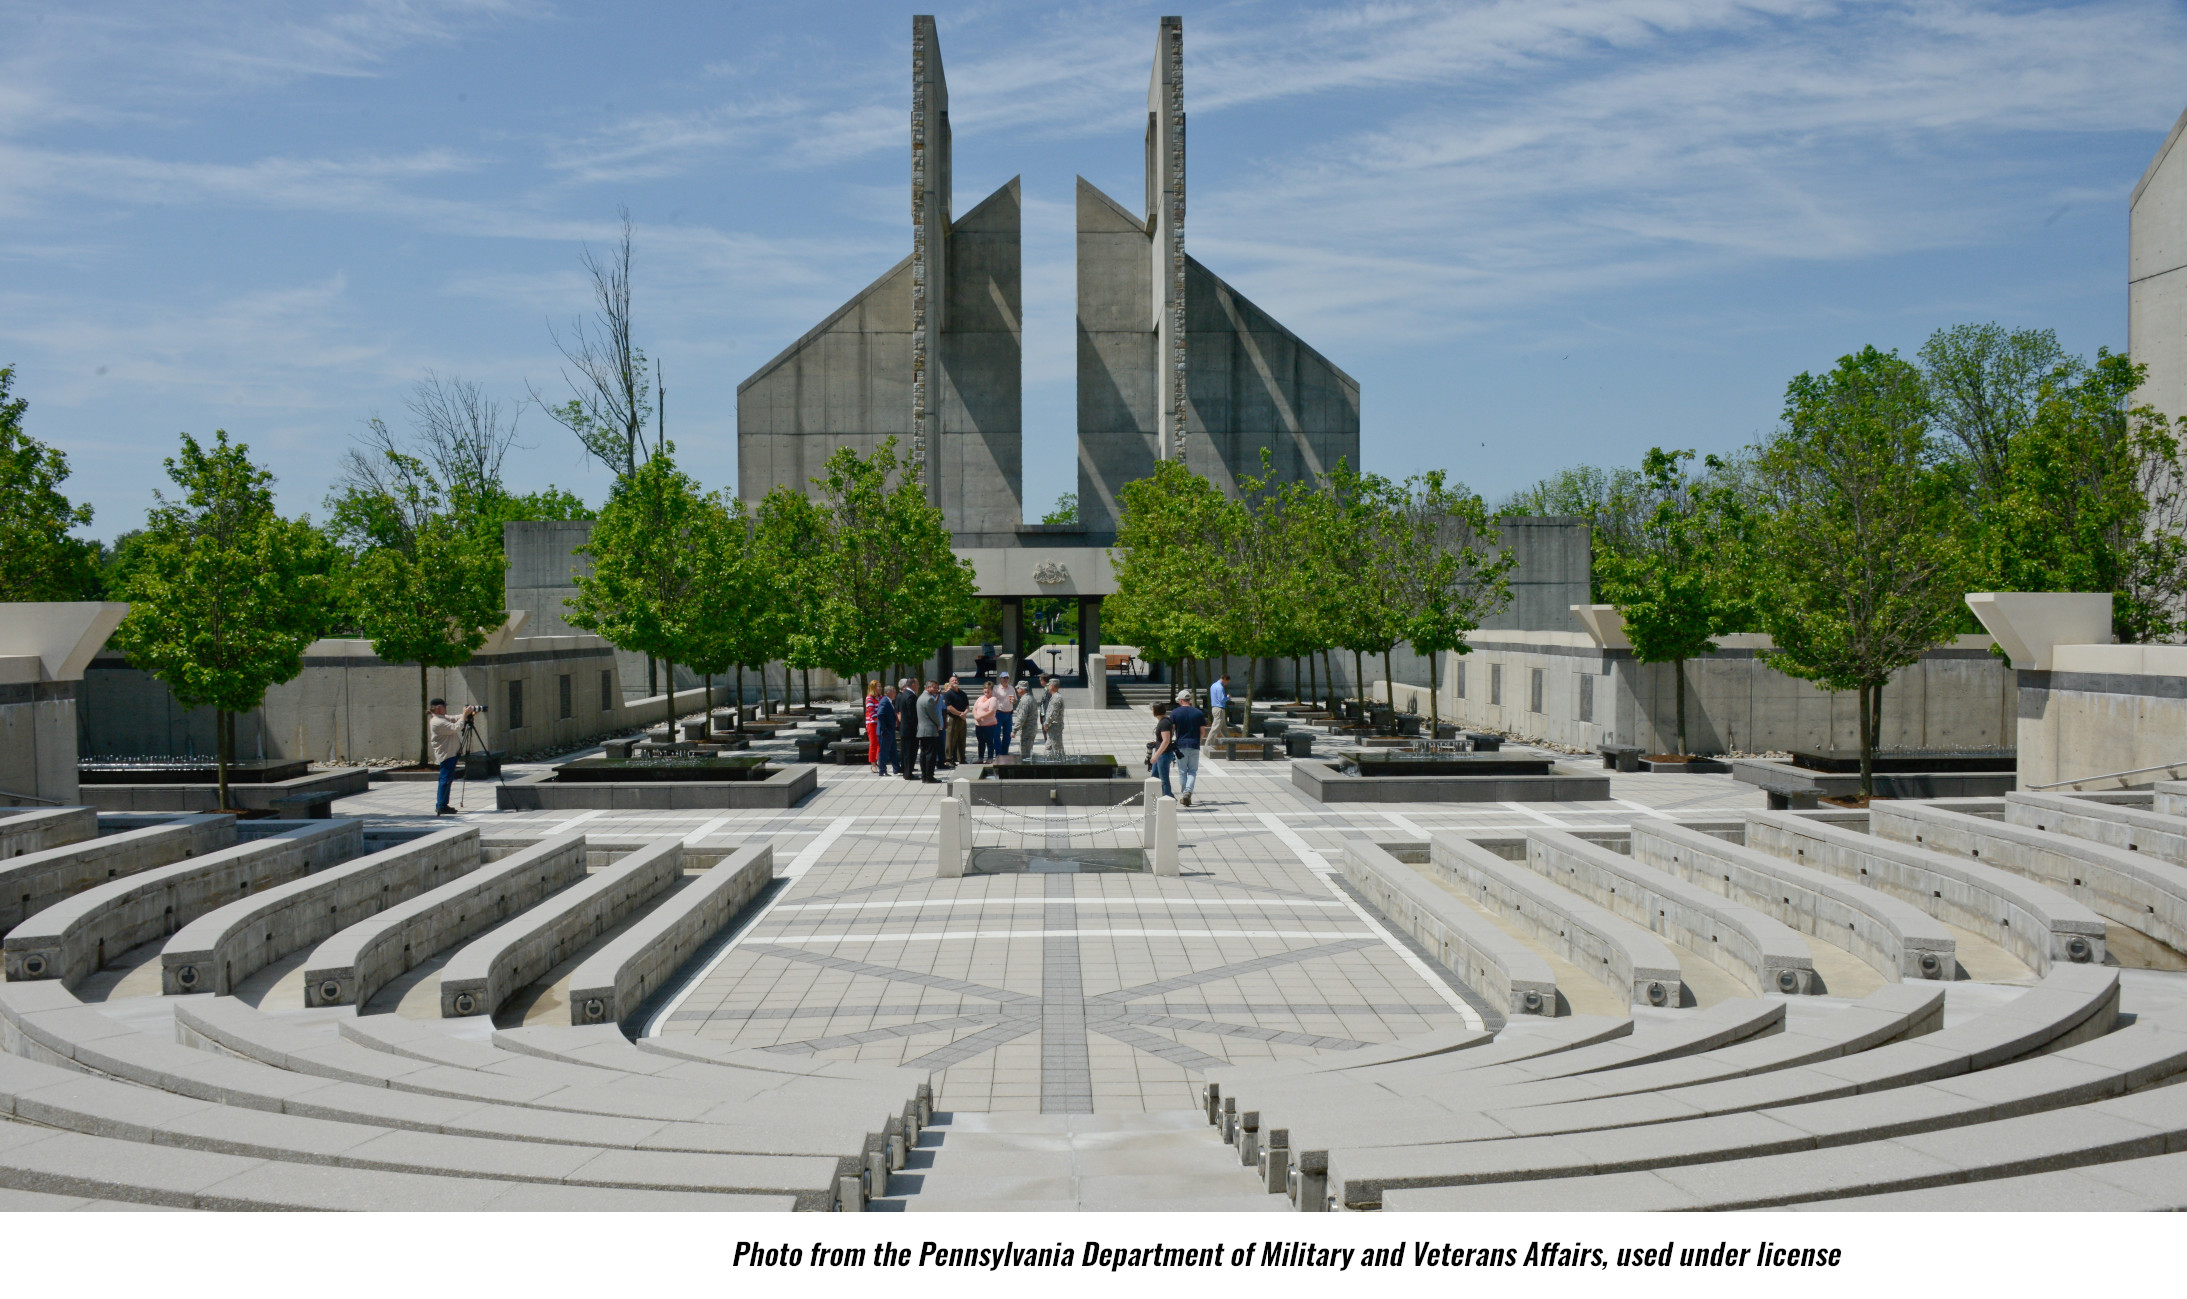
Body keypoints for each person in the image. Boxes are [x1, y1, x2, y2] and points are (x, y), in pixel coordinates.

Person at [426, 697, 478, 817]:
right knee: (445, 780)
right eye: (444, 706)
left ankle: (443, 804)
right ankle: (441, 806)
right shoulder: (437, 722)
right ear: (438, 708)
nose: (446, 708)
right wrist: (465, 716)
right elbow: (455, 728)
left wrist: (468, 714)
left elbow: (454, 718)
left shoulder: (441, 718)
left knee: (447, 779)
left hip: (450, 753)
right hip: (446, 754)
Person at [1168, 689, 1206, 807]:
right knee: (1193, 771)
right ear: (1189, 700)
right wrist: (1198, 742)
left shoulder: (1175, 713)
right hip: (1194, 745)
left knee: (1182, 771)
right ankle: (1188, 792)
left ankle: (1185, 793)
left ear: (1180, 700)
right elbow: (1203, 732)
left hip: (1181, 745)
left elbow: (1172, 730)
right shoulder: (1198, 713)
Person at [916, 680, 946, 782]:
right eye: (935, 687)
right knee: (930, 754)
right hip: (930, 730)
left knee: (924, 754)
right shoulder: (928, 699)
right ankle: (929, 776)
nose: (937, 690)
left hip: (922, 730)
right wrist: (939, 725)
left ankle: (924, 776)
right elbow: (934, 715)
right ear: (928, 687)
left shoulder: (920, 698)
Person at [1148, 700, 1176, 798]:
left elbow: (1166, 740)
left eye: (1152, 709)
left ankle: (1169, 799)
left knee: (1164, 780)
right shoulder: (1164, 721)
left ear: (1155, 711)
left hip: (1163, 755)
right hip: (1162, 754)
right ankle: (1154, 798)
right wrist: (1156, 743)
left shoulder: (1164, 723)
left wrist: (1156, 755)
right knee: (1154, 777)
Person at [896, 679, 921, 783]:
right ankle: (908, 774)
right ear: (913, 684)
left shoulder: (903, 694)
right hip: (910, 730)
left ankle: (907, 772)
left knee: (907, 752)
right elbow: (912, 715)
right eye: (918, 684)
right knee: (910, 752)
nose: (919, 686)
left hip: (905, 729)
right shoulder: (911, 696)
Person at [943, 675, 969, 768]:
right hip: (953, 719)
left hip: (962, 719)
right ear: (949, 683)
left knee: (962, 739)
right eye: (953, 680)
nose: (955, 681)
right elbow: (949, 707)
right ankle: (948, 759)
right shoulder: (948, 694)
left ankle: (962, 759)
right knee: (951, 740)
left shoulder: (963, 693)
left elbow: (967, 706)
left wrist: (964, 713)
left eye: (956, 680)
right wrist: (960, 714)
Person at [874, 682, 900, 776]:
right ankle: (882, 769)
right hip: (885, 731)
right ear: (888, 692)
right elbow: (880, 714)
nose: (895, 693)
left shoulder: (888, 701)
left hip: (890, 730)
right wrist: (884, 727)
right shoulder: (885, 701)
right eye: (894, 692)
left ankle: (896, 768)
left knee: (893, 750)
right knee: (884, 751)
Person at [971, 682, 1000, 762]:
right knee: (981, 742)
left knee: (989, 742)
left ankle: (990, 758)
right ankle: (980, 758)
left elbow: (991, 712)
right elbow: (974, 709)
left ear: (992, 690)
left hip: (989, 725)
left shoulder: (993, 699)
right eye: (985, 688)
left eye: (989, 689)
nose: (986, 690)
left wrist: (980, 716)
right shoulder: (980, 698)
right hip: (979, 725)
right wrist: (976, 716)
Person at [1012, 681, 1040, 757]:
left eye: (1018, 688)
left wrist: (1014, 730)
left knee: (1025, 754)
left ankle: (1027, 768)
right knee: (1029, 750)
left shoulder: (1025, 700)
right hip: (1032, 729)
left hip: (1027, 730)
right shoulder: (1031, 698)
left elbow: (1022, 717)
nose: (1017, 690)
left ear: (1022, 689)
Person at [1042, 675, 1067, 756]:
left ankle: (1061, 764)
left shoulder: (1057, 698)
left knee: (1057, 748)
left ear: (1052, 686)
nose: (1048, 686)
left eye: (1049, 685)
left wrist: (1046, 724)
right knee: (1048, 747)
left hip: (1055, 727)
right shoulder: (1055, 697)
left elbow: (1053, 714)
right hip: (1052, 727)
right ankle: (1048, 763)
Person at [863, 681, 883, 770]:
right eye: (878, 686)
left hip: (880, 723)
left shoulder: (881, 697)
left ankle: (879, 760)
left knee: (880, 743)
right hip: (872, 724)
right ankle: (873, 764)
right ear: (873, 688)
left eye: (880, 686)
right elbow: (871, 712)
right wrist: (879, 720)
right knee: (874, 743)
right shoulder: (869, 698)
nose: (880, 688)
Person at [996, 682, 1018, 755]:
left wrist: (1012, 701)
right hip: (999, 713)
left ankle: (1005, 752)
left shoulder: (1011, 688)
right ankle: (998, 753)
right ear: (1001, 679)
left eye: (1007, 678)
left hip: (1008, 714)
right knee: (997, 734)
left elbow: (1015, 700)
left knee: (1008, 735)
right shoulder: (996, 688)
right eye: (1004, 678)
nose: (1006, 679)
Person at [1209, 673, 1232, 740]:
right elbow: (1222, 700)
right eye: (1227, 682)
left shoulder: (1213, 685)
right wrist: (1228, 697)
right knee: (1215, 728)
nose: (1227, 684)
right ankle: (1208, 745)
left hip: (1214, 708)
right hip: (1219, 709)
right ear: (1224, 679)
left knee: (1223, 728)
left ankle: (1229, 742)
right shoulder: (1220, 687)